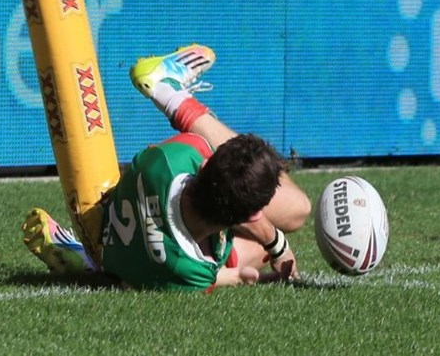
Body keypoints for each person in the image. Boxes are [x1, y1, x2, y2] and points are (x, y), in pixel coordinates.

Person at [23, 44, 313, 291]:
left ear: (205, 163)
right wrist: (272, 247)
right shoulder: (191, 269)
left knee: (276, 211)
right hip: (119, 250)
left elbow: (206, 269)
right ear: (251, 216)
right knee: (296, 211)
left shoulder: (173, 158)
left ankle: (88, 259)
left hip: (125, 223)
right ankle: (164, 87)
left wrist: (248, 263)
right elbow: (213, 274)